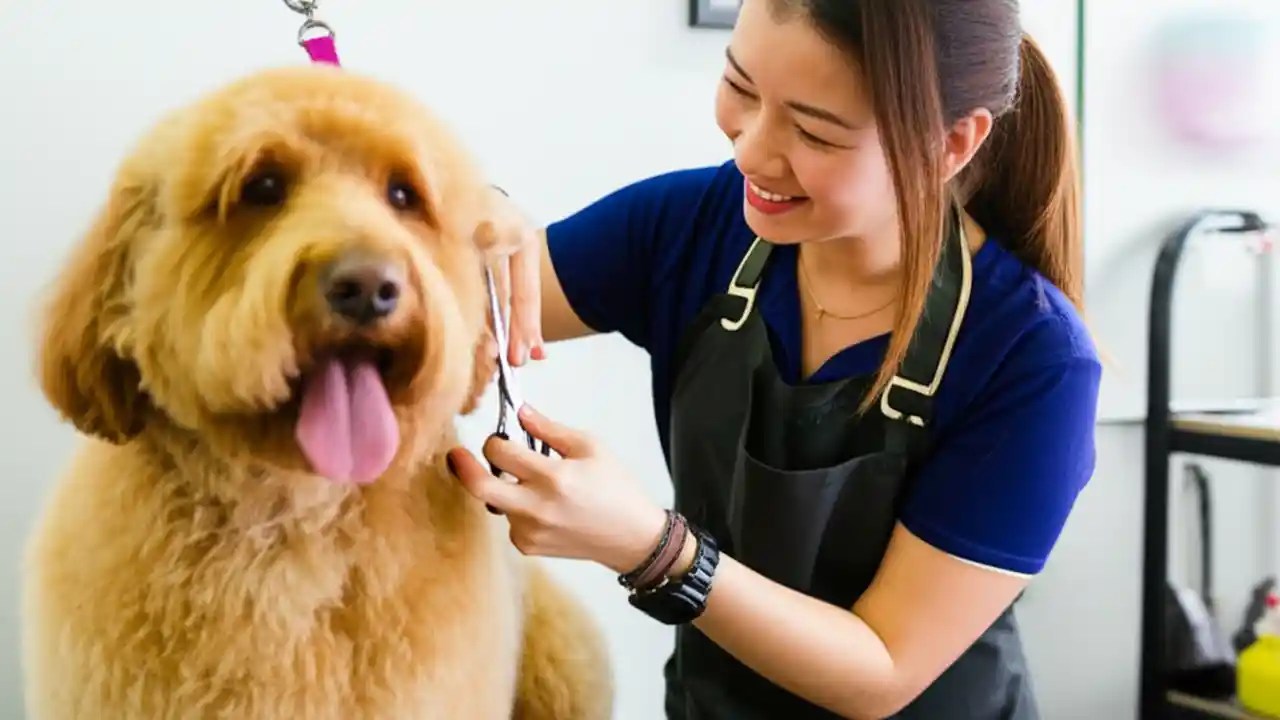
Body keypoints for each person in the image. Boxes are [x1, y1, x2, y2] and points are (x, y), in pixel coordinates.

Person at [446, 0, 1102, 717]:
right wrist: (463, 215)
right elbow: (462, 303)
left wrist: (650, 547)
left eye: (814, 131)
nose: (751, 152)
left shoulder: (1033, 358)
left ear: (951, 143)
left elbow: (880, 670)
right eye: (740, 87)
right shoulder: (691, 226)